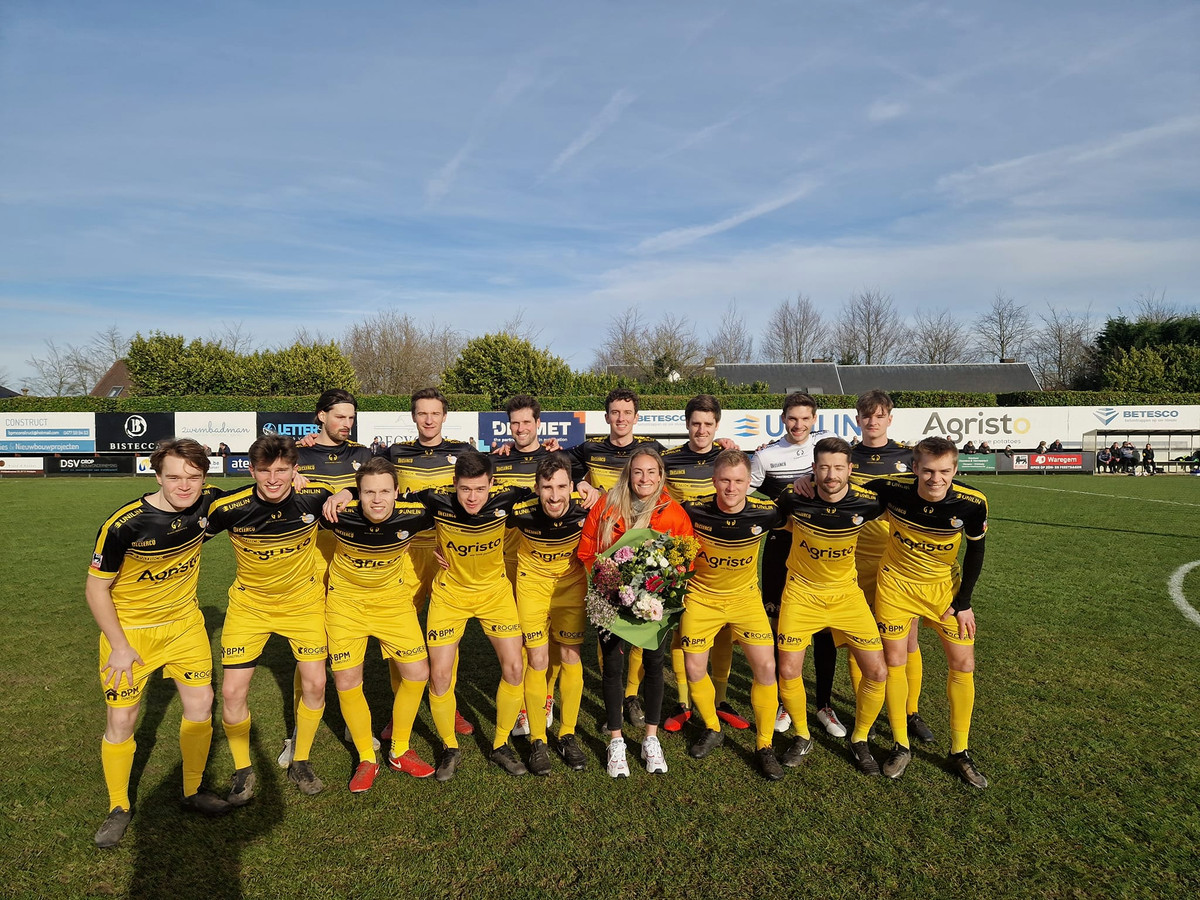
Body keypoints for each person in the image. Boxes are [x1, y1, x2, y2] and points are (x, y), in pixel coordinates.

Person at [86, 439, 232, 848]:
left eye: (193, 478)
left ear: (205, 477)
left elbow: (266, 488)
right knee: (122, 720)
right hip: (131, 635)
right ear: (156, 476)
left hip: (185, 627)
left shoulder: (208, 507)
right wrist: (118, 645)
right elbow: (96, 590)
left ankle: (192, 790)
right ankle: (118, 806)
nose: (184, 486)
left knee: (201, 705)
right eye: (174, 477)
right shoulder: (124, 525)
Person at [206, 434, 338, 802]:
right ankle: (243, 768)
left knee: (314, 684)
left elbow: (353, 499)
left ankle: (301, 759)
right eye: (265, 471)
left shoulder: (314, 497)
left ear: (297, 470)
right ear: (251, 470)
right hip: (250, 608)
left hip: (303, 605)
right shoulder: (229, 507)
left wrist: (343, 496)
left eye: (282, 470)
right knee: (232, 691)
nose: (274, 478)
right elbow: (184, 538)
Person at [867, 437, 990, 788]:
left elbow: (976, 554)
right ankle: (900, 744)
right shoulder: (891, 489)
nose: (936, 479)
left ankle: (960, 751)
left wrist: (964, 602)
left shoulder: (972, 503)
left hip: (944, 592)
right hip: (895, 587)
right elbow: (844, 490)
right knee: (895, 663)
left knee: (964, 664)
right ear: (914, 468)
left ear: (954, 469)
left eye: (944, 472)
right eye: (928, 471)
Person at [404, 452, 534, 781]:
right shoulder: (435, 500)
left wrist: (585, 489)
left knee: (516, 666)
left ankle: (501, 743)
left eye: (479, 489)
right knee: (441, 676)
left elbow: (552, 490)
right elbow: (388, 500)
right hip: (450, 596)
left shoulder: (509, 496)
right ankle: (450, 747)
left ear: (492, 484)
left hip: (495, 594)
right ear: (453, 485)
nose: (472, 497)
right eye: (464, 490)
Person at [775, 438, 890, 775]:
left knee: (877, 672)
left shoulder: (868, 502)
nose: (831, 474)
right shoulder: (793, 497)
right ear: (813, 468)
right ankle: (802, 734)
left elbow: (905, 500)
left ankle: (860, 738)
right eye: (824, 467)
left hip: (847, 597)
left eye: (839, 467)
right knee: (788, 671)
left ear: (850, 469)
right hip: (801, 594)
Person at [578, 448, 694, 777]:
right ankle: (616, 741)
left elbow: (688, 556)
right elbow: (587, 548)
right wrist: (609, 581)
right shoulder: (607, 504)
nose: (645, 479)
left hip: (653, 601)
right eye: (638, 472)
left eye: (652, 472)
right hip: (609, 596)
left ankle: (650, 739)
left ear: (661, 476)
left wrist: (661, 586)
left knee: (655, 664)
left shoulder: (672, 510)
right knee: (612, 666)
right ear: (629, 474)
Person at [322, 457, 437, 790]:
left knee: (417, 673)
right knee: (347, 680)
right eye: (368, 492)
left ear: (397, 492)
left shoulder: (414, 513)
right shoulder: (338, 513)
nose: (377, 499)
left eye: (385, 491)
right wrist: (337, 492)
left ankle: (400, 750)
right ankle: (366, 758)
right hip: (345, 606)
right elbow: (297, 496)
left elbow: (457, 503)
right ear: (358, 494)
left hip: (392, 603)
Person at [281, 389, 376, 768]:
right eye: (340, 417)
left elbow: (380, 485)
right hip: (306, 567)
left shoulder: (362, 454)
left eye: (351, 418)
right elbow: (266, 484)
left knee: (351, 650)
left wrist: (348, 489)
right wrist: (290, 479)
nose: (347, 424)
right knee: (309, 653)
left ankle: (356, 726)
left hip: (351, 567)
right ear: (321, 416)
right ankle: (296, 737)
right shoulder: (295, 455)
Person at [679, 450, 785, 780]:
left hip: (745, 600)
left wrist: (808, 484)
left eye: (739, 481)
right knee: (694, 666)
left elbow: (801, 509)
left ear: (748, 482)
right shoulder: (693, 509)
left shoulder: (766, 512)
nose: (731, 488)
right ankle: (712, 726)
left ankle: (764, 745)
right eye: (724, 480)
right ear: (714, 480)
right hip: (701, 599)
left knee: (767, 666)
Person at [568, 389, 665, 730]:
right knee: (610, 632)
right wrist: (581, 481)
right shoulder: (589, 448)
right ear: (606, 416)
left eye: (627, 412)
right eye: (614, 412)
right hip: (605, 550)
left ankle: (631, 695)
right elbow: (558, 464)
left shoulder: (651, 450)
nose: (621, 418)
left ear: (636, 417)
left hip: (644, 551)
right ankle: (617, 692)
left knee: (641, 627)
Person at [386, 387, 475, 737]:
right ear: (413, 416)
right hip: (405, 555)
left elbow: (484, 483)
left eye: (434, 413)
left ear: (444, 416)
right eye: (422, 413)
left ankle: (446, 703)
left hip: (446, 556)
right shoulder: (395, 453)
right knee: (399, 635)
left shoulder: (462, 452)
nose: (428, 419)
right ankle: (400, 710)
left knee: (446, 639)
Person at [848, 390, 935, 744]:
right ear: (859, 418)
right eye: (867, 415)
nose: (873, 421)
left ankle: (910, 711)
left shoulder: (906, 458)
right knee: (861, 639)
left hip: (899, 564)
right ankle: (863, 706)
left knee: (908, 640)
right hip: (854, 561)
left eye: (879, 415)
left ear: (889, 418)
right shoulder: (846, 457)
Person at [748, 391, 833, 737]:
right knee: (781, 626)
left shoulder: (828, 450)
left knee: (825, 627)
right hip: (781, 549)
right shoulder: (766, 455)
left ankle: (824, 704)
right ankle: (784, 702)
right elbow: (744, 493)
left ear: (814, 419)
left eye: (805, 418)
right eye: (792, 418)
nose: (798, 425)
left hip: (821, 553)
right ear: (782, 419)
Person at [660, 394, 746, 734]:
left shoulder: (726, 458)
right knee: (683, 632)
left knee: (724, 632)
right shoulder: (670, 459)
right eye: (695, 422)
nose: (701, 429)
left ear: (717, 426)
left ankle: (720, 699)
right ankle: (683, 702)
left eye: (708, 424)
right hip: (682, 560)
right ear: (687, 424)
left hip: (724, 559)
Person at [508, 453, 591, 773]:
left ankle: (568, 734)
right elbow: (477, 517)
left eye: (560, 487)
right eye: (546, 487)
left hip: (571, 591)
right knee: (538, 660)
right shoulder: (520, 510)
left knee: (571, 657)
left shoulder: (585, 508)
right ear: (536, 488)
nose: (554, 496)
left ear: (572, 486)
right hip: (532, 590)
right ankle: (537, 740)